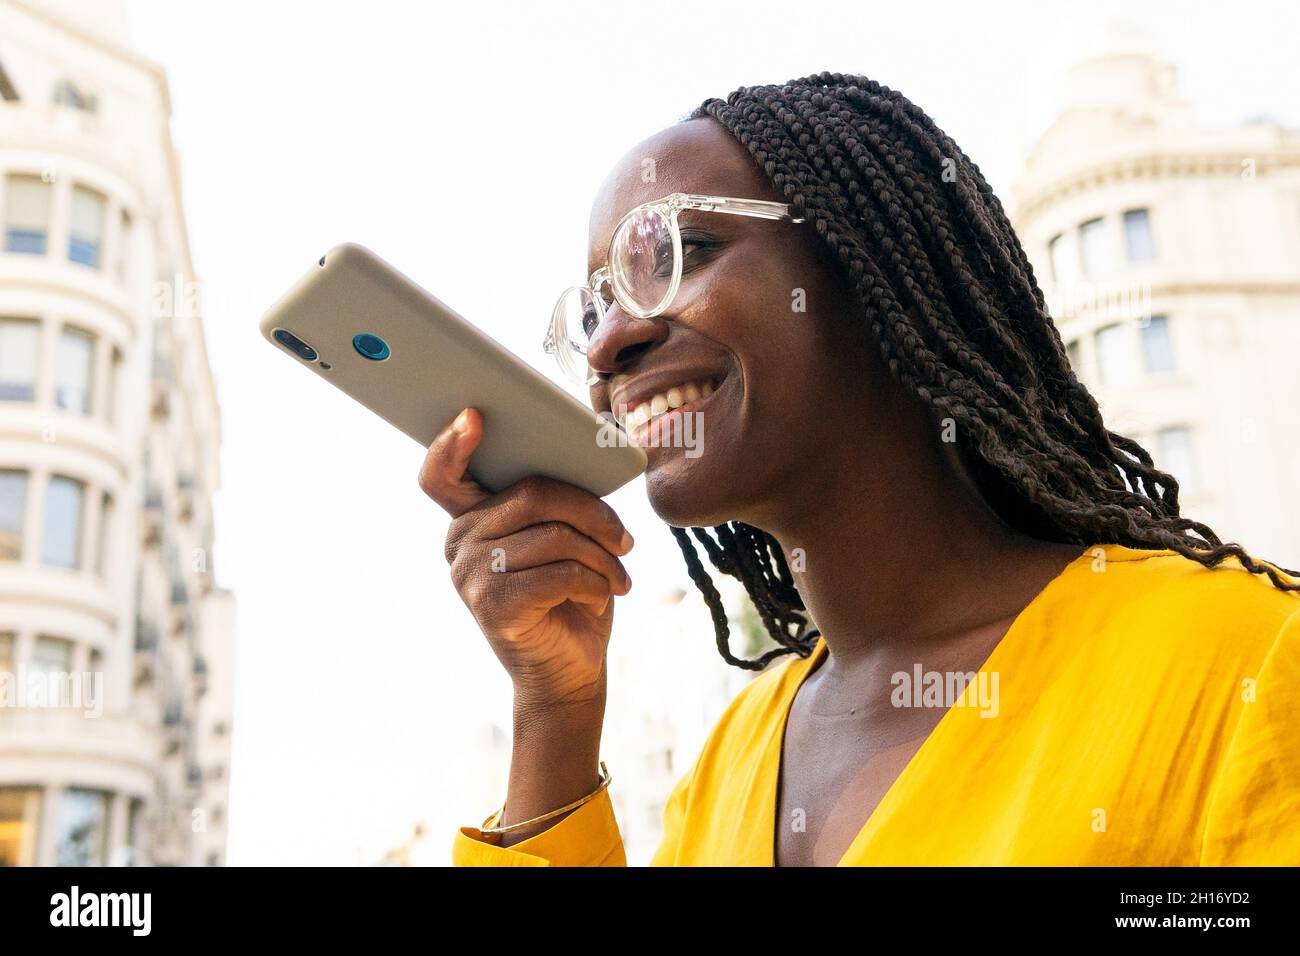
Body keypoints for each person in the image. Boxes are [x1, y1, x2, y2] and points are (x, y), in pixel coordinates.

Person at [418, 72, 1300, 866]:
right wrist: (556, 706)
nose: (611, 341)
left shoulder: (1247, 663)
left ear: (868, 262)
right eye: (597, 304)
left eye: (677, 255)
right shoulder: (731, 761)